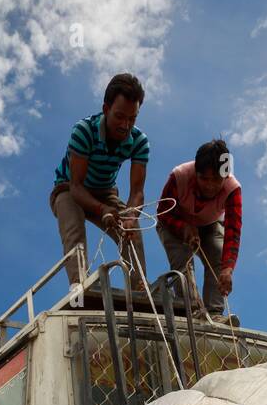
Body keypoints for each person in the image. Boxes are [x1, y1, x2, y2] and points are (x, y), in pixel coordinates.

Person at [50, 73, 149, 290]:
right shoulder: (83, 131)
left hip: (105, 190)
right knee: (73, 227)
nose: (125, 125)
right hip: (70, 187)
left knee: (132, 231)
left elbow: (137, 192)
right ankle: (80, 285)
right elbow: (76, 186)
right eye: (120, 117)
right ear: (106, 109)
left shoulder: (140, 141)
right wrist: (101, 209)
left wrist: (131, 216)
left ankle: (139, 286)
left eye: (132, 119)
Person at [156, 139, 242, 317]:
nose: (210, 185)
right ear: (196, 172)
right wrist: (183, 227)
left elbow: (233, 233)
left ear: (225, 176)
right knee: (183, 261)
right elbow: (163, 212)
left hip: (209, 225)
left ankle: (214, 313)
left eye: (216, 180)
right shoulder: (179, 175)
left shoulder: (232, 189)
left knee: (219, 257)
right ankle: (190, 309)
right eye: (204, 179)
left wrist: (227, 269)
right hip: (174, 222)